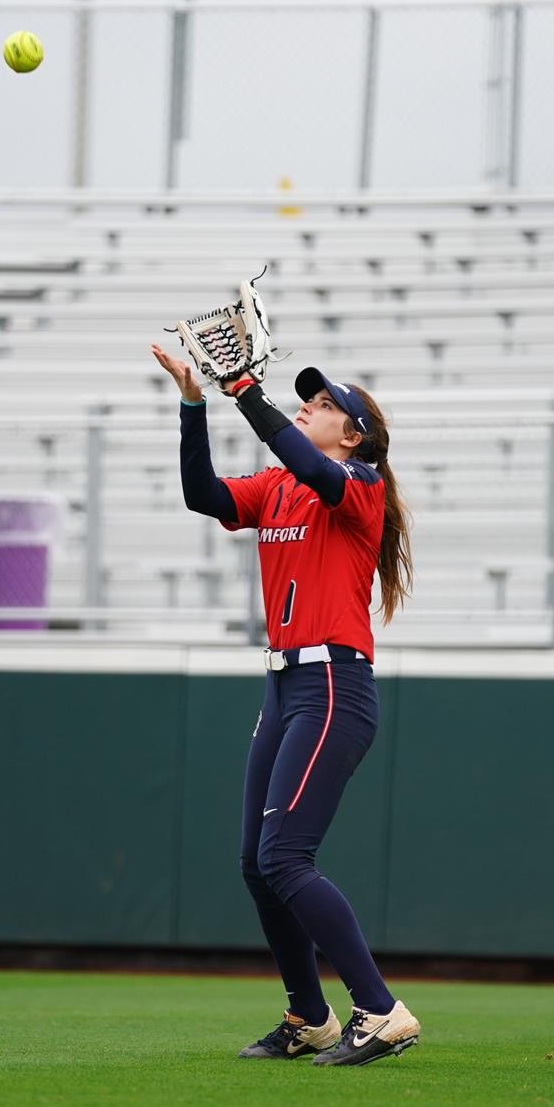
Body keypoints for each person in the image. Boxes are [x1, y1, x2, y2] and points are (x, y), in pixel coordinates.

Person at [152, 341, 419, 1066]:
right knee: (254, 860)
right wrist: (193, 404)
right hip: (283, 688)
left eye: (325, 404)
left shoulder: (358, 484)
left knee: (286, 854)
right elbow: (202, 494)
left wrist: (246, 390)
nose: (309, 407)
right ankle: (310, 1015)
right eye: (307, 399)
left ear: (353, 435)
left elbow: (311, 467)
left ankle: (381, 1009)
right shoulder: (278, 486)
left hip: (333, 685)